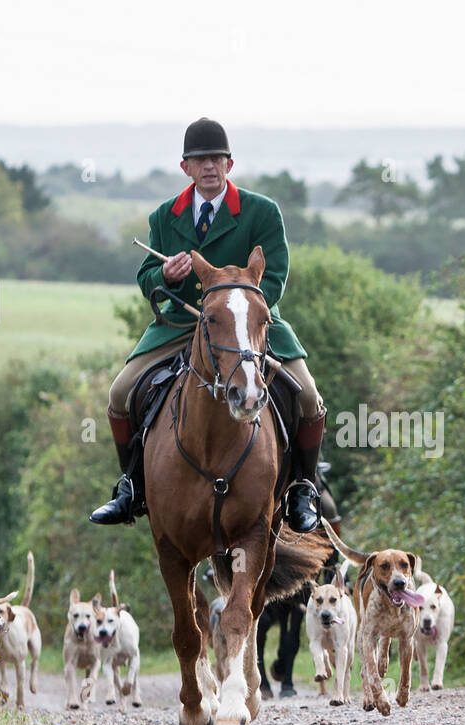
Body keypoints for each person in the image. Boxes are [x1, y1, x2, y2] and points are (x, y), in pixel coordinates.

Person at [90, 117, 326, 532]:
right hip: (180, 325)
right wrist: (167, 277)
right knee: (120, 392)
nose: (209, 167)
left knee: (308, 396)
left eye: (217, 159)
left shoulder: (262, 211)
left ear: (230, 164)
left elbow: (274, 277)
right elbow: (147, 274)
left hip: (245, 328)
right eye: (200, 161)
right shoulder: (166, 216)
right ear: (186, 168)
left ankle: (302, 489)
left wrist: (236, 306)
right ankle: (130, 486)